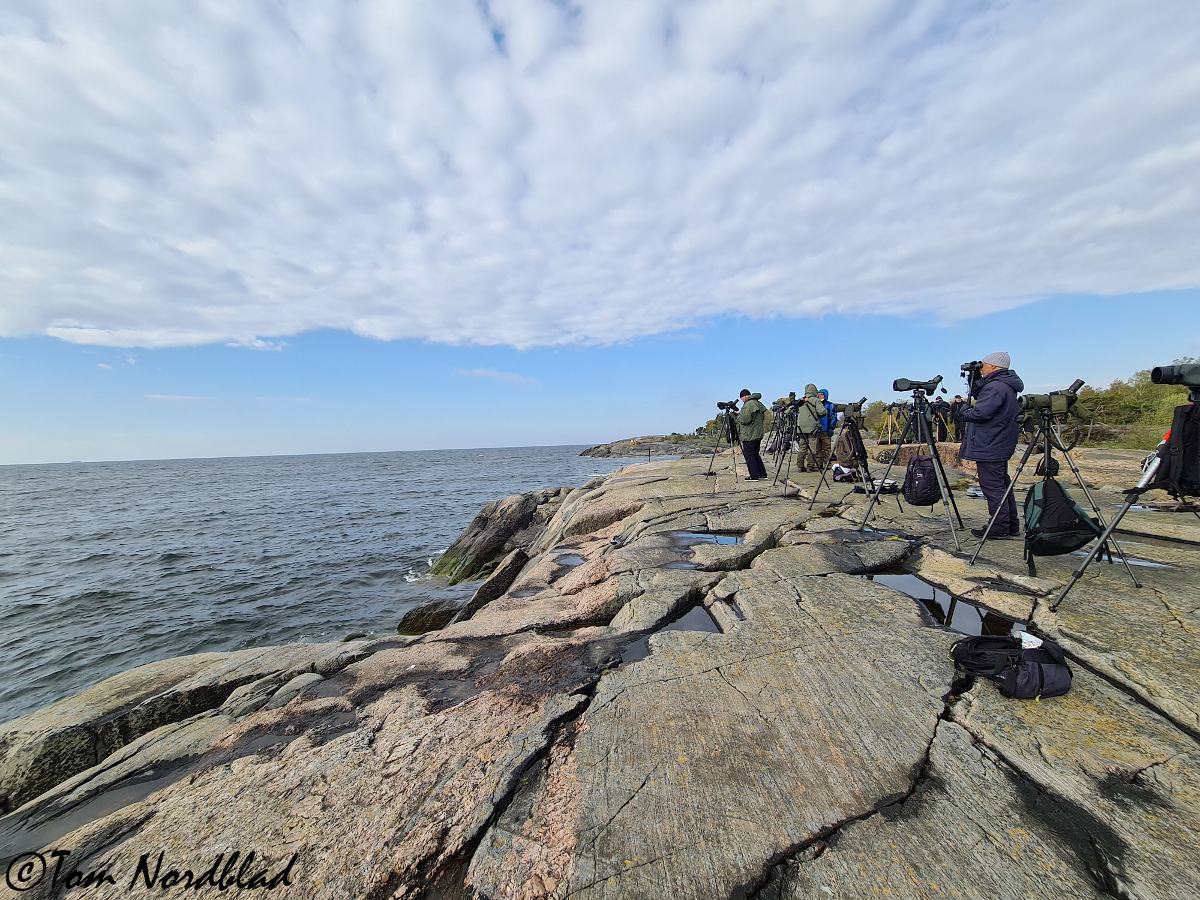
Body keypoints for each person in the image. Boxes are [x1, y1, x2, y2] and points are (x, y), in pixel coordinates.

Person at [960, 352, 1025, 539]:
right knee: (1002, 484)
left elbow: (981, 413)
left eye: (984, 365)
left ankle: (998, 528)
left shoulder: (996, 387)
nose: (982, 368)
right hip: (999, 442)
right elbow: (981, 394)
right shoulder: (1005, 385)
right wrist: (976, 378)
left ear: (995, 367)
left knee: (993, 487)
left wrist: (966, 413)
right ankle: (1010, 525)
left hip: (990, 443)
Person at [736, 389, 768, 480]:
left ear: (745, 396)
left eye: (742, 398)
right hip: (757, 433)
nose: (742, 400)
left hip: (749, 434)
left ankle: (754, 476)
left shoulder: (748, 404)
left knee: (749, 454)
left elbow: (745, 420)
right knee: (755, 454)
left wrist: (738, 416)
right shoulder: (758, 403)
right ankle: (762, 474)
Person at [794, 384, 826, 472]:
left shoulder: (800, 400)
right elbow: (822, 412)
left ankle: (800, 466)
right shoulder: (816, 400)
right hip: (812, 428)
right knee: (812, 447)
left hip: (801, 427)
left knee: (802, 447)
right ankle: (810, 467)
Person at [815, 388, 837, 472]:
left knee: (827, 448)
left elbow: (834, 417)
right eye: (819, 394)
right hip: (816, 430)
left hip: (826, 430)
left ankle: (827, 464)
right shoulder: (815, 405)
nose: (820, 396)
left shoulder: (830, 405)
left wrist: (831, 428)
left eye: (822, 394)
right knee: (817, 448)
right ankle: (818, 464)